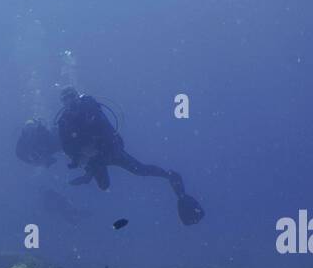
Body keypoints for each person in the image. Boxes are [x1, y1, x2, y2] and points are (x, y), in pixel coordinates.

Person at [18, 87, 204, 226]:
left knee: (141, 171)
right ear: (63, 103)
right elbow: (68, 147)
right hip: (95, 159)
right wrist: (77, 160)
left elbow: (108, 131)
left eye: (72, 97)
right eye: (66, 99)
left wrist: (97, 149)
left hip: (110, 152)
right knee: (104, 185)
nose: (70, 102)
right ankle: (90, 175)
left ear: (77, 96)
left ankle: (172, 178)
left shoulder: (90, 109)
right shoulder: (64, 121)